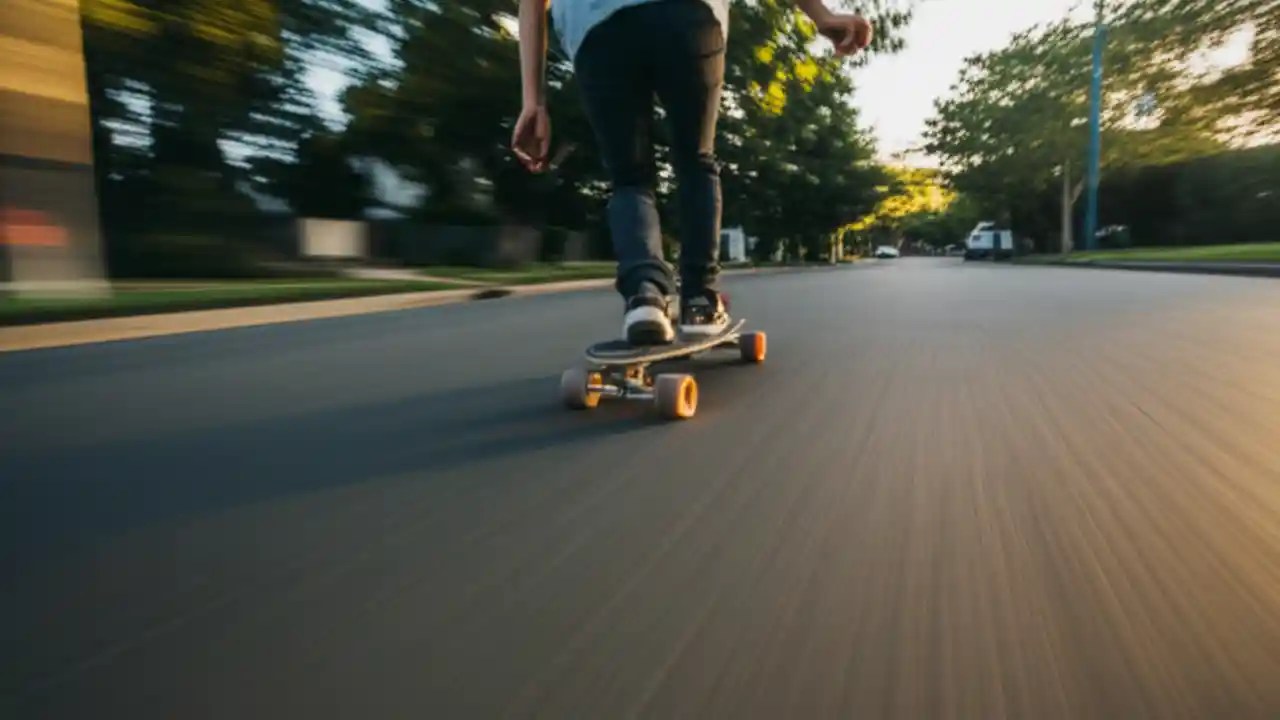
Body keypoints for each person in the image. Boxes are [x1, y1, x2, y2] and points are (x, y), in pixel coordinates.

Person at [514, 0, 872, 344]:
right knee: (695, 158)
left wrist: (533, 101)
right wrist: (820, 15)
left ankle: (645, 296)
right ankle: (700, 300)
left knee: (629, 177)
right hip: (687, 16)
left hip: (595, 25)